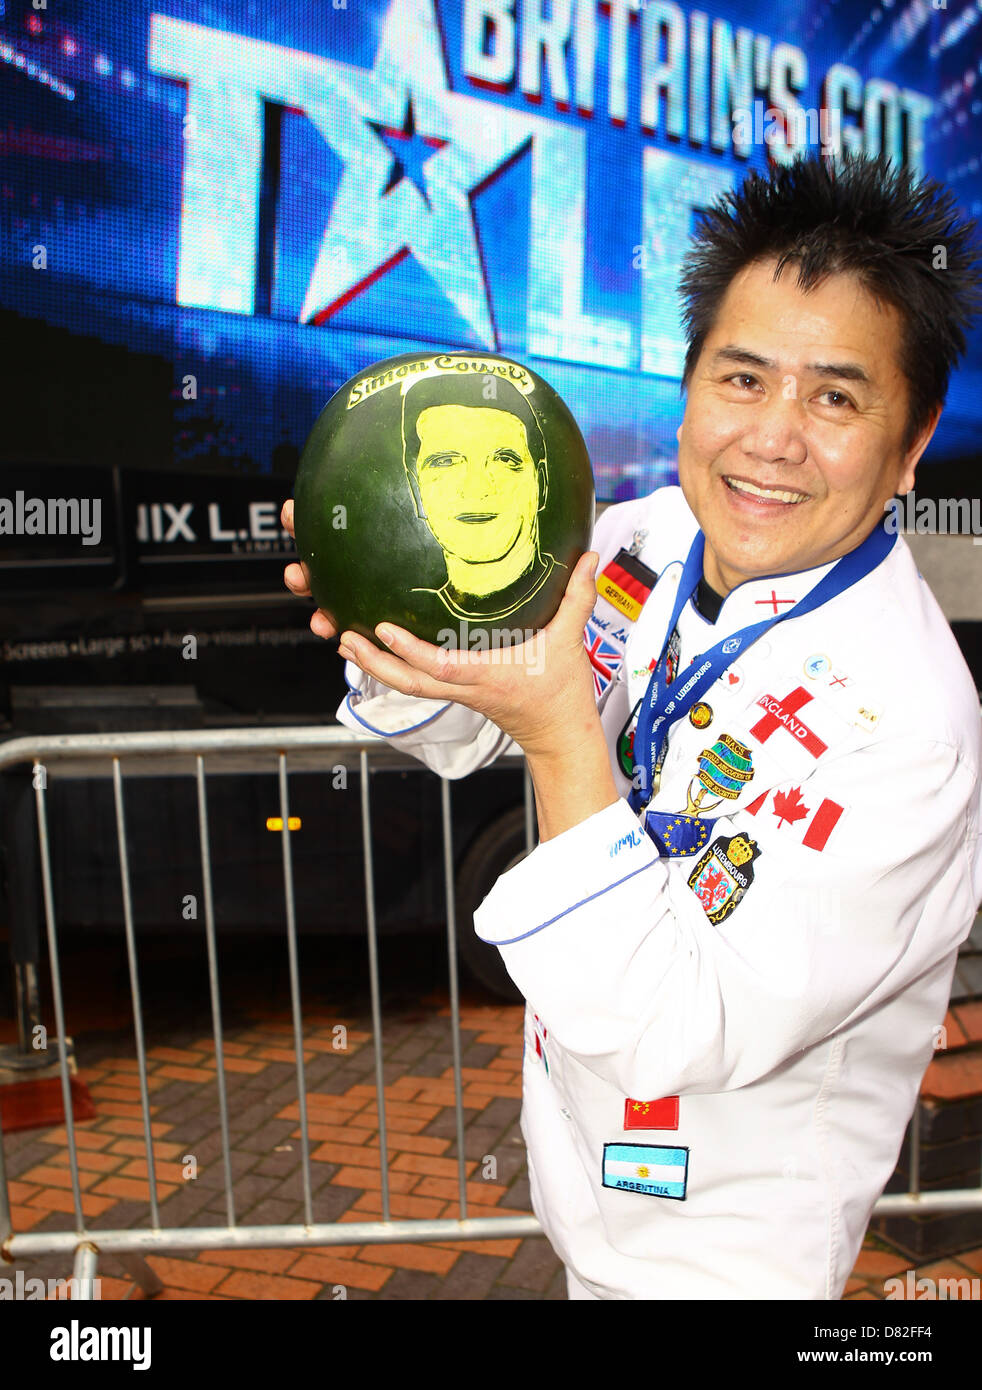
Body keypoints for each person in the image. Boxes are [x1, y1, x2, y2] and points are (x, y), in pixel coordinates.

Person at [282, 153, 982, 1299]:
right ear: (690, 383)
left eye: (837, 397)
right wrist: (397, 630)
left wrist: (562, 735)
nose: (771, 438)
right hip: (585, 1196)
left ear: (910, 445)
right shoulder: (647, 540)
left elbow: (674, 1024)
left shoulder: (908, 726)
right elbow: (482, 711)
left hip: (728, 1256)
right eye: (741, 379)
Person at [399, 366, 559, 621]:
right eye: (445, 462)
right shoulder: (397, 616)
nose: (476, 489)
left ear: (541, 482)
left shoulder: (572, 598)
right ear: (416, 490)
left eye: (504, 459)